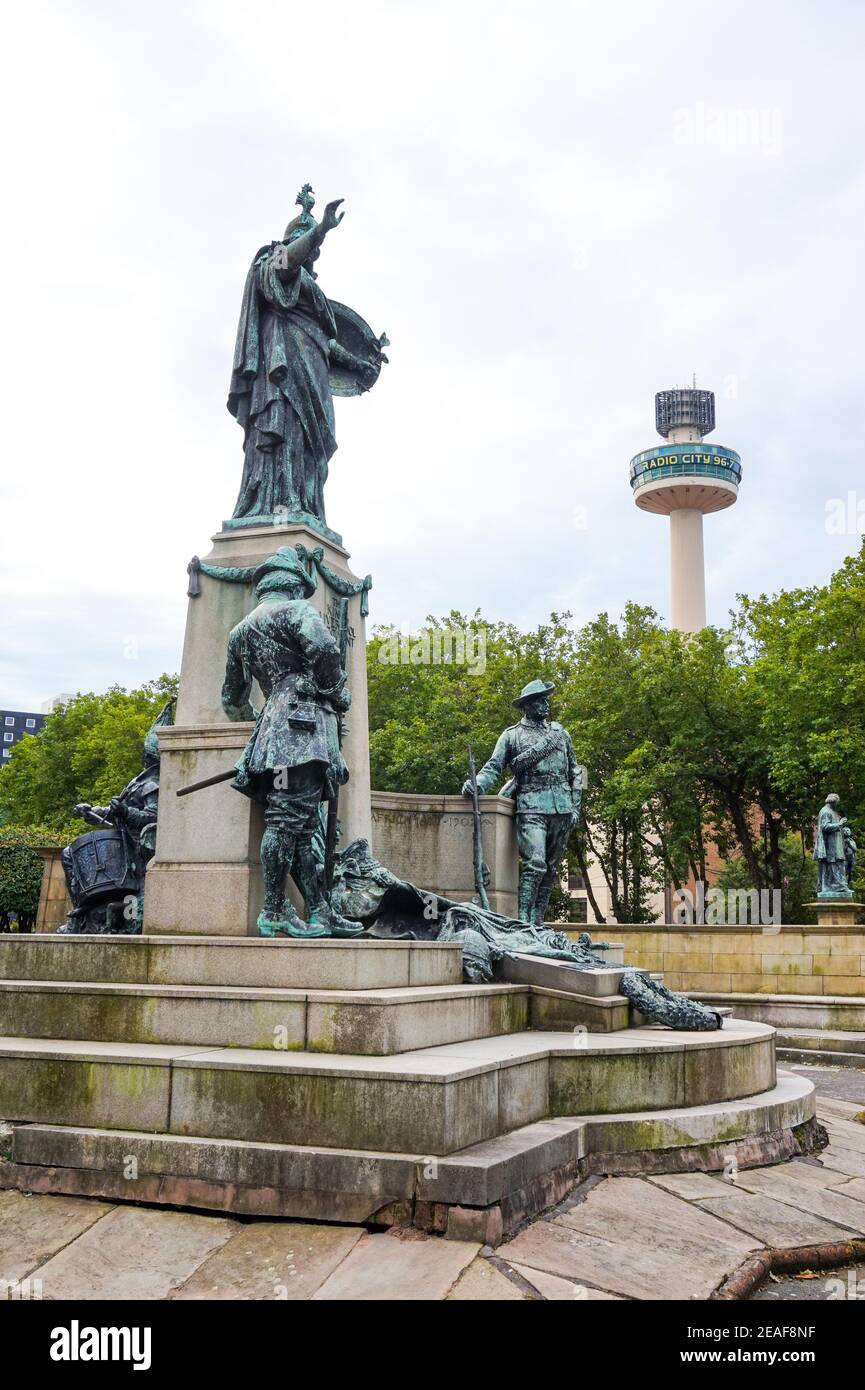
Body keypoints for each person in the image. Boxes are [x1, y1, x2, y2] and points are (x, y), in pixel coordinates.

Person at [221, 545, 362, 938]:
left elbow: (232, 699)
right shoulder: (297, 611)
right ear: (297, 584)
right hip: (305, 727)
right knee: (287, 821)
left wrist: (266, 721)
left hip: (272, 732)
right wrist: (336, 691)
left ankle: (319, 909)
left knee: (299, 827)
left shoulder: (240, 632)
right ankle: (273, 911)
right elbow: (324, 647)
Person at [462, 679, 581, 925]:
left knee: (551, 870)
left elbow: (576, 772)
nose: (546, 703)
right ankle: (524, 920)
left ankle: (537, 921)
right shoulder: (511, 736)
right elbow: (493, 767)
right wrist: (478, 783)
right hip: (531, 805)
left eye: (546, 699)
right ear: (527, 705)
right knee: (535, 863)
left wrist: (576, 806)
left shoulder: (561, 734)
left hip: (562, 808)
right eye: (540, 700)